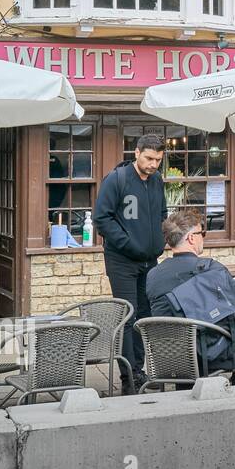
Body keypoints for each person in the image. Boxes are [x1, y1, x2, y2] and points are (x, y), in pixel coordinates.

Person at [146, 209, 235, 385]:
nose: (203, 237)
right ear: (191, 238)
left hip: (168, 356)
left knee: (187, 345)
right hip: (208, 354)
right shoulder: (212, 269)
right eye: (201, 233)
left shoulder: (153, 275)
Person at [94, 134, 166, 392]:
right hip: (122, 260)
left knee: (145, 316)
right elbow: (102, 218)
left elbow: (161, 214)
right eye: (148, 158)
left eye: (158, 159)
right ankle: (127, 378)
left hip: (150, 260)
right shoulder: (117, 179)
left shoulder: (157, 181)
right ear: (136, 153)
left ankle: (139, 370)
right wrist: (128, 243)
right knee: (128, 315)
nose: (153, 164)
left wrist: (158, 242)